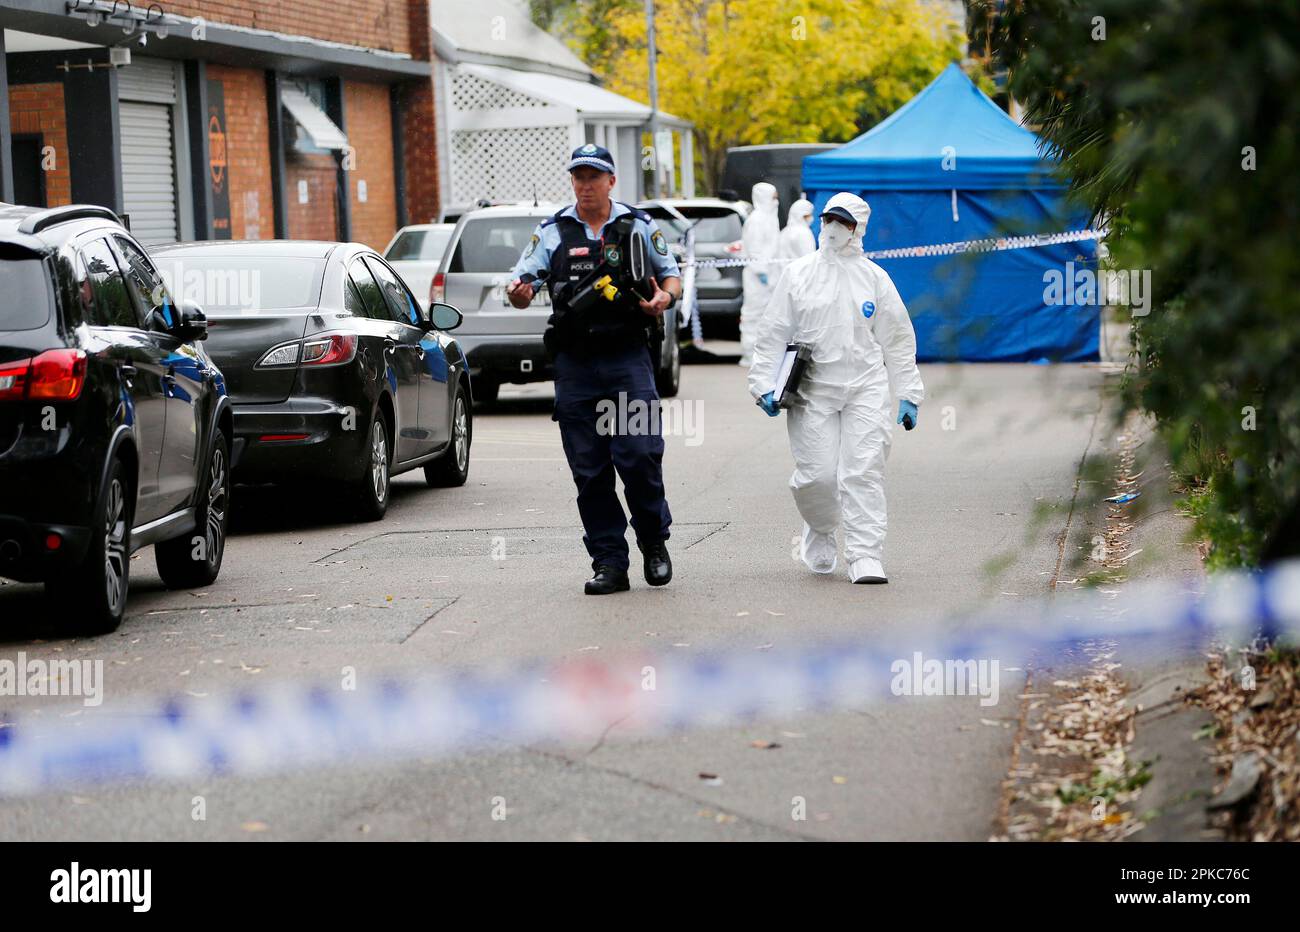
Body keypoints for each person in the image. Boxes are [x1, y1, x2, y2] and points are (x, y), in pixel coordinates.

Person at [506, 144, 683, 595]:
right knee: (590, 470)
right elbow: (522, 284)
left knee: (640, 456)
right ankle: (609, 562)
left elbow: (671, 275)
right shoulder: (552, 231)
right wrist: (519, 293)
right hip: (576, 364)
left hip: (627, 359)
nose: (586, 184)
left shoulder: (637, 225)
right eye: (579, 177)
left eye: (594, 176)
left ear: (611, 181)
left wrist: (664, 297)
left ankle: (653, 542)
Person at [747, 192, 923, 584]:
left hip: (865, 387)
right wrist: (763, 384)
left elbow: (897, 338)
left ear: (857, 228)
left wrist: (908, 391)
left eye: (842, 222)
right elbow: (773, 331)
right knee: (818, 476)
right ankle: (822, 528)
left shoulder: (874, 278)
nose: (832, 228)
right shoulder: (799, 273)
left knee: (863, 471)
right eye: (828, 219)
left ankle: (864, 555)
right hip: (813, 391)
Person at [738, 182, 780, 367]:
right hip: (757, 276)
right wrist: (761, 272)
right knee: (753, 314)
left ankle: (763, 354)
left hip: (770, 274)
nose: (776, 201)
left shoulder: (770, 218)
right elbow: (754, 250)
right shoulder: (756, 219)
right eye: (773, 196)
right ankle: (749, 353)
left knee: (768, 315)